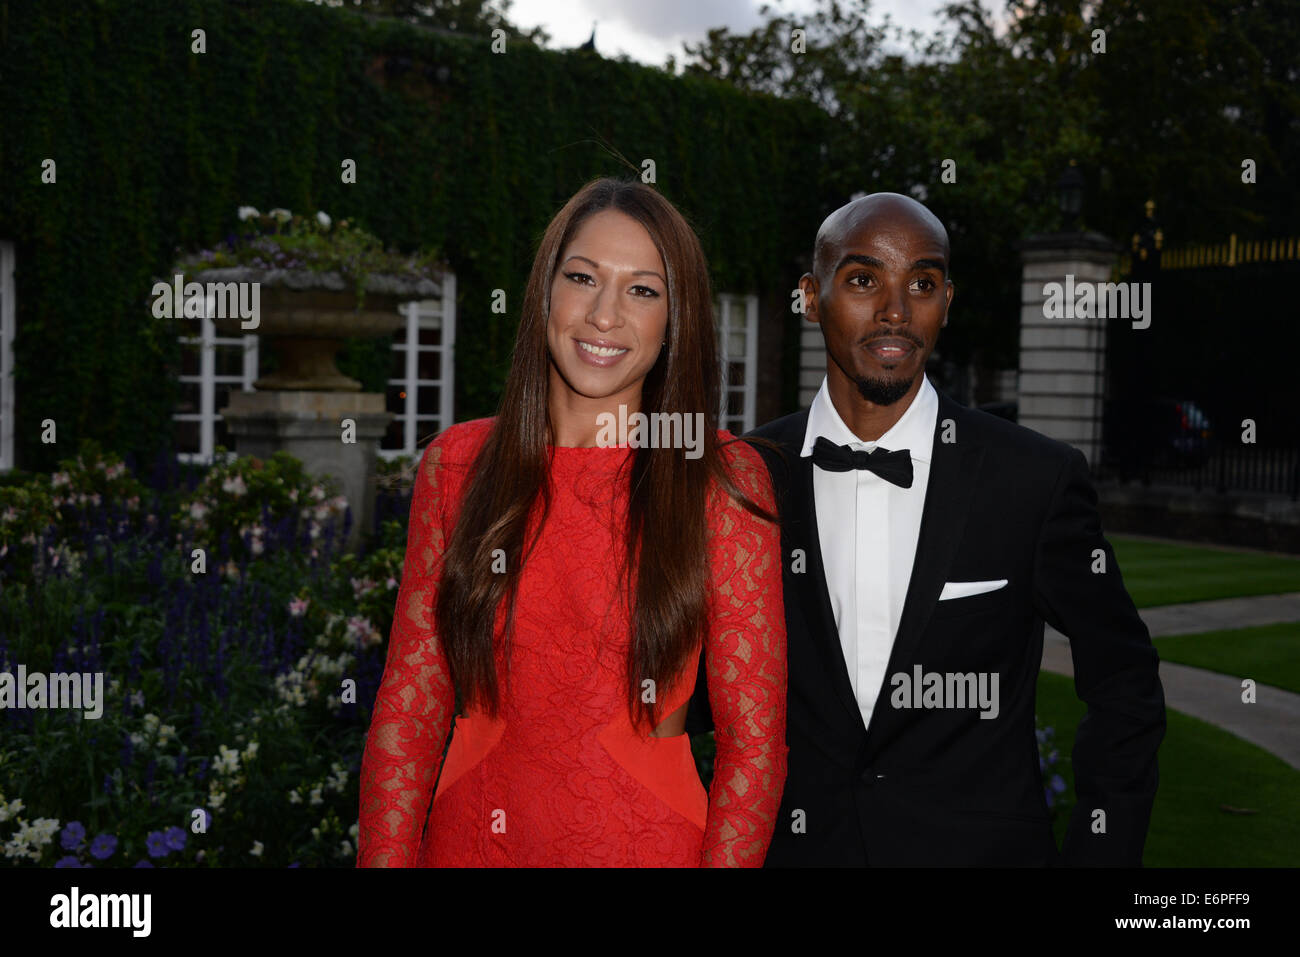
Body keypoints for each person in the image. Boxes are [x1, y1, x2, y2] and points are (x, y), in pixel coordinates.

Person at [356, 177, 787, 867]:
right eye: (583, 277)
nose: (604, 315)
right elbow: (410, 711)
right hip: (469, 845)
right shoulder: (457, 465)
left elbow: (754, 746)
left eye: (642, 290)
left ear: (674, 320)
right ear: (545, 291)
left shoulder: (718, 478)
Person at [746, 192, 1165, 866]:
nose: (896, 310)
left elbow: (1125, 681)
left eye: (922, 283)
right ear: (810, 297)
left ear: (946, 301)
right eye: (863, 280)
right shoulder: (745, 476)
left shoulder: (1033, 478)